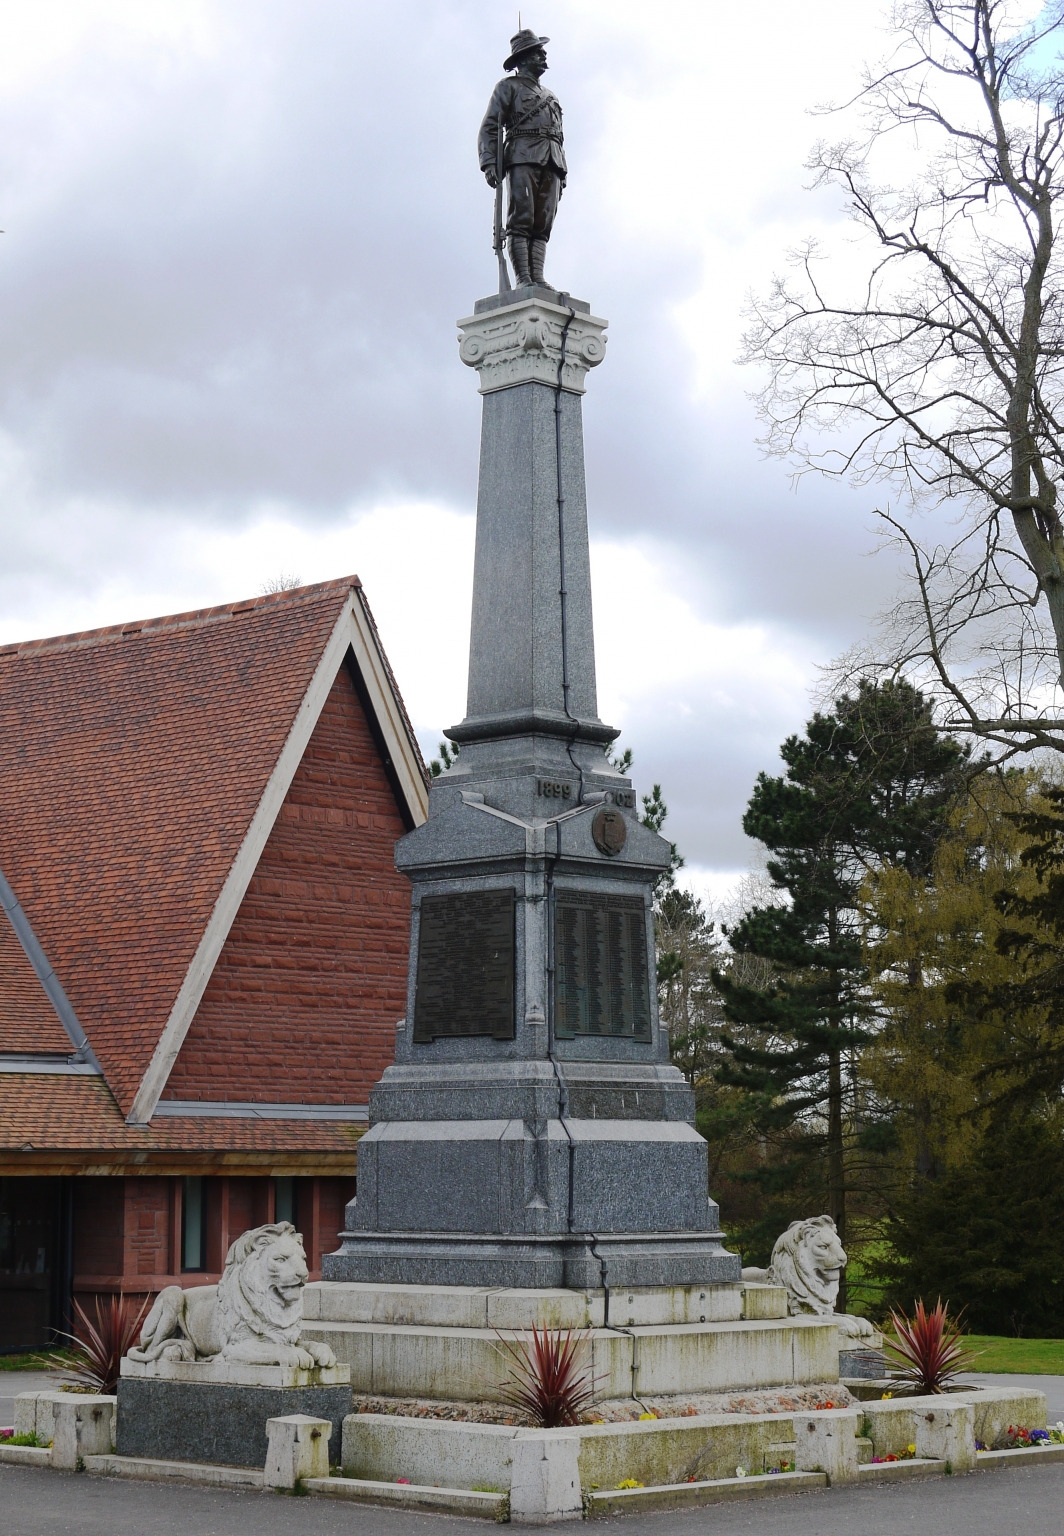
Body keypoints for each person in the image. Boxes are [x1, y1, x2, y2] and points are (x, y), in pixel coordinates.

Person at [478, 29, 567, 288]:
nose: (544, 55)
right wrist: (489, 162)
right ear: (523, 59)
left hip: (552, 160)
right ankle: (523, 278)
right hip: (522, 156)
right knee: (522, 219)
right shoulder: (508, 87)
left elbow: (559, 134)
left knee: (542, 222)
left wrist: (562, 170)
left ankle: (537, 277)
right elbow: (491, 125)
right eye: (537, 52)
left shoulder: (551, 95)